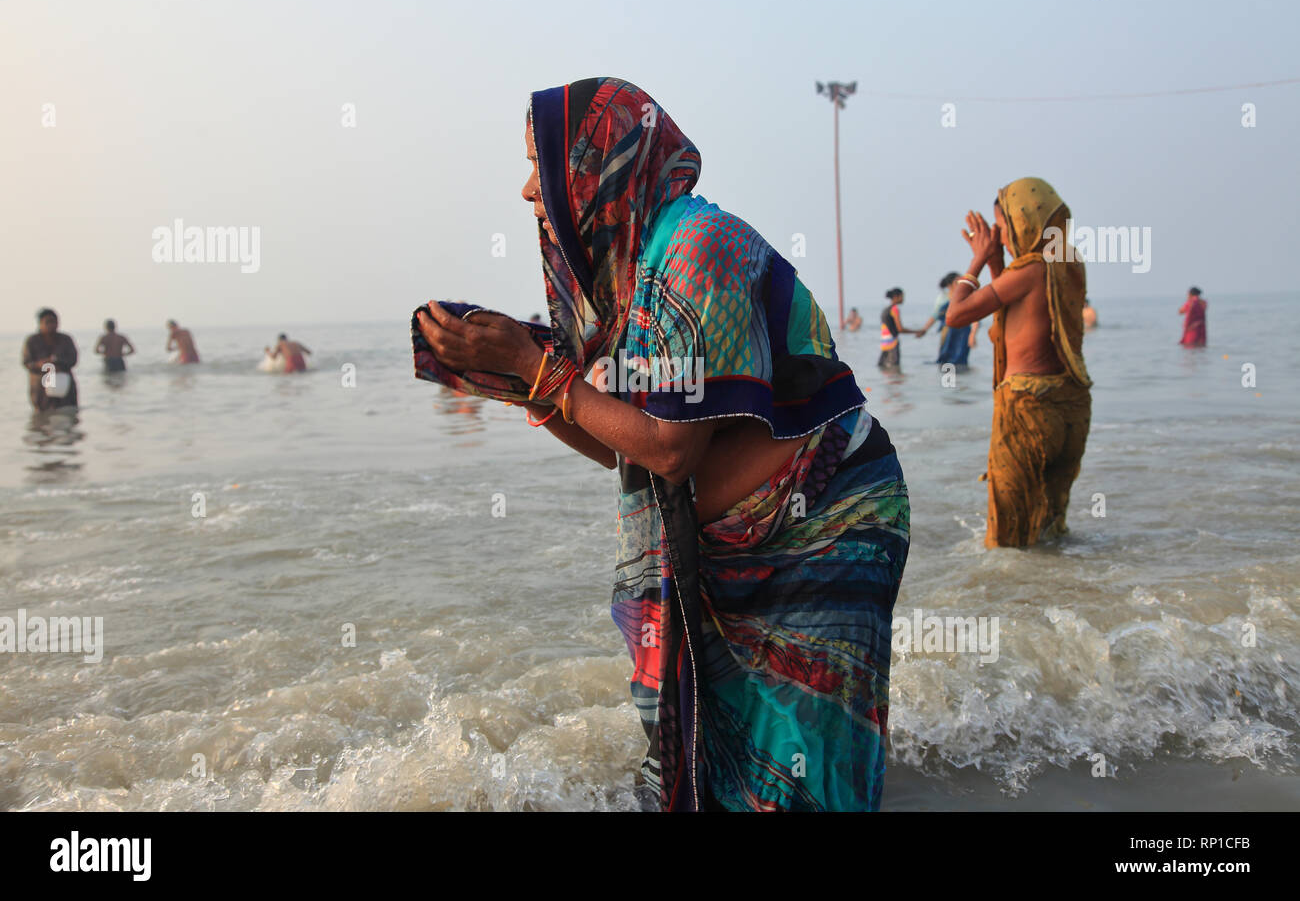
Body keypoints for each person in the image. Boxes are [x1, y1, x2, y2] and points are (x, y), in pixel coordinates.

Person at [412, 77, 910, 812]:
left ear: (598, 164)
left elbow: (672, 451)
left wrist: (536, 367)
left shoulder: (696, 249)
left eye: (537, 164)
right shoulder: (631, 285)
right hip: (734, 550)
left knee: (805, 765)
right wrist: (525, 386)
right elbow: (635, 451)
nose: (527, 191)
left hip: (821, 531)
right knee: (733, 770)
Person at [945, 177, 1092, 548]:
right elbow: (1019, 316)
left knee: (1008, 539)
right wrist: (999, 262)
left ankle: (1014, 600)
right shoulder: (1069, 264)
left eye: (1003, 227)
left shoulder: (1028, 271)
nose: (999, 236)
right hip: (1070, 409)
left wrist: (977, 260)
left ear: (1026, 224)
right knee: (1048, 527)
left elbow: (956, 315)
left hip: (1027, 409)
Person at [21, 308, 79, 410]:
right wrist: (41, 365)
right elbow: (26, 362)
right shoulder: (32, 341)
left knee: (68, 416)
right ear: (40, 323)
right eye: (48, 322)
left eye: (54, 322)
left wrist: (58, 363)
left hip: (64, 387)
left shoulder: (66, 339)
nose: (52, 325)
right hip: (41, 390)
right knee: (42, 420)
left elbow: (73, 360)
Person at [878, 288, 925, 369]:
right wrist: (917, 331)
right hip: (892, 344)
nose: (903, 299)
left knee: (885, 371)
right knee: (895, 370)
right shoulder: (894, 309)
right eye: (902, 296)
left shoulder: (885, 310)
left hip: (884, 344)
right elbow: (900, 329)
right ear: (896, 297)